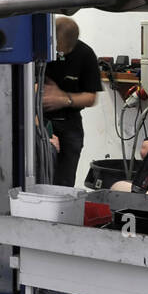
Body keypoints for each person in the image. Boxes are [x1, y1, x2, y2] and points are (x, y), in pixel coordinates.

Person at [41, 16, 102, 187]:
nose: (57, 56)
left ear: (72, 45)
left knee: (64, 183)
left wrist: (63, 99)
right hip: (38, 122)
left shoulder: (85, 55)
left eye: (61, 52)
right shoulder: (38, 50)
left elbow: (91, 98)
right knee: (37, 178)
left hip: (69, 126)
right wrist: (42, 130)